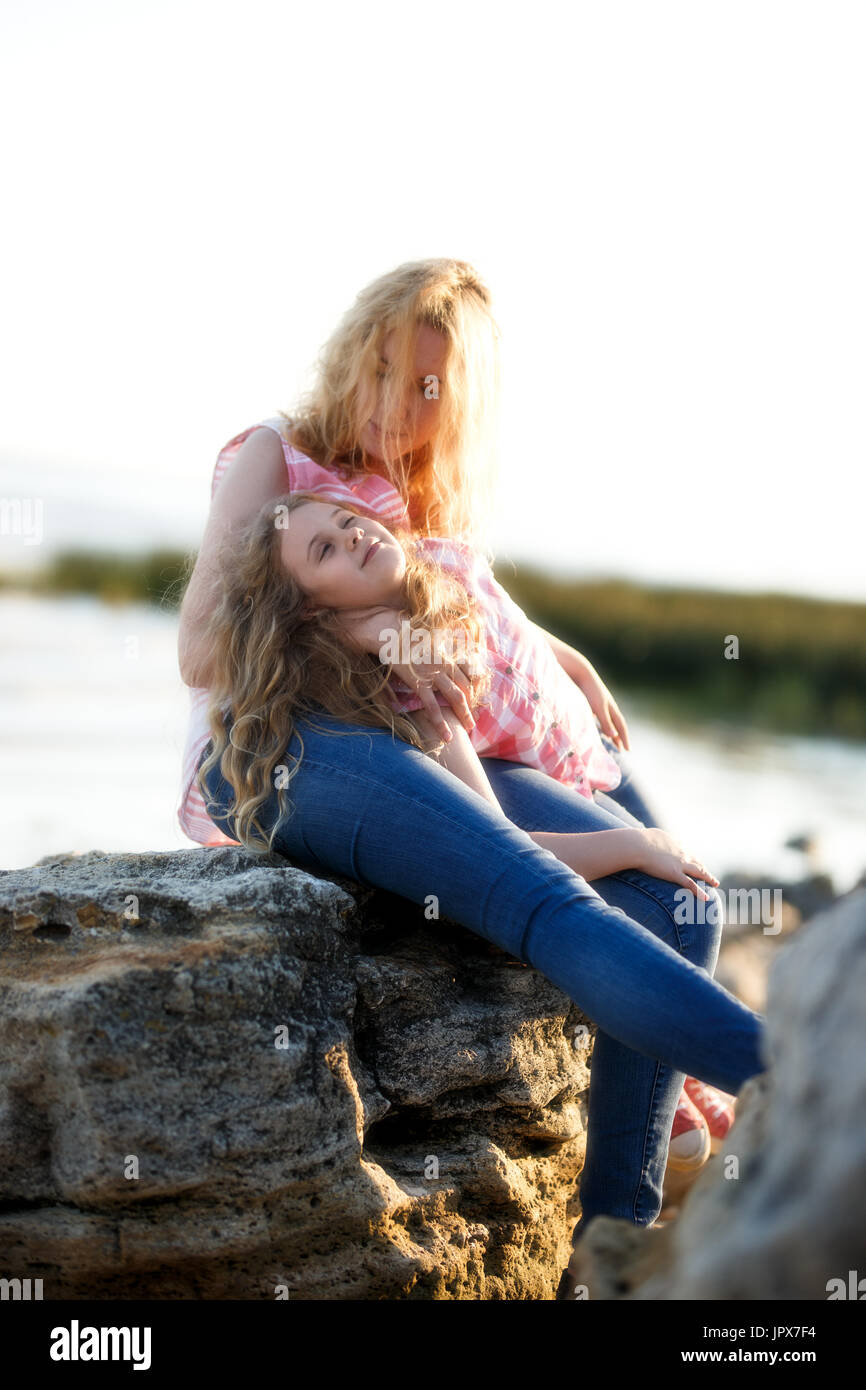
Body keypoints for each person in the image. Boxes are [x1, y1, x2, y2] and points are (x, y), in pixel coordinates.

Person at [177, 259, 765, 1292]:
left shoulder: (406, 503)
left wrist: (553, 652)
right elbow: (202, 655)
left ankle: (610, 1238)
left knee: (678, 902)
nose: (402, 408)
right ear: (354, 351)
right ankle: (805, 1080)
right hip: (294, 741)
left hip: (438, 741)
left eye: (432, 392)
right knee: (550, 894)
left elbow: (467, 594)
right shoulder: (277, 461)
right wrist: (370, 635)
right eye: (391, 375)